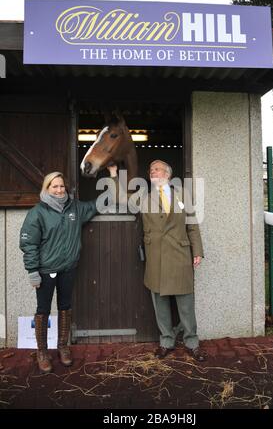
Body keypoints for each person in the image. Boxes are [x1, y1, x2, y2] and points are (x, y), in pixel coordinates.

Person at [19, 170, 114, 374]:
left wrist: (113, 177)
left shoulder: (76, 208)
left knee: (65, 306)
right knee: (43, 309)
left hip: (68, 268)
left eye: (62, 186)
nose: (59, 189)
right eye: (55, 186)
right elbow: (29, 243)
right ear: (47, 188)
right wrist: (32, 270)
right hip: (45, 270)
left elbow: (101, 202)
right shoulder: (38, 212)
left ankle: (62, 346)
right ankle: (42, 352)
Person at [110, 160, 206, 361]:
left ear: (167, 174)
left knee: (186, 304)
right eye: (151, 169)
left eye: (157, 169)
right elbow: (121, 198)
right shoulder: (144, 196)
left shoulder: (183, 195)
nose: (152, 171)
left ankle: (192, 342)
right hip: (155, 256)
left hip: (180, 255)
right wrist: (113, 174)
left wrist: (197, 251)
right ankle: (166, 341)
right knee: (160, 303)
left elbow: (192, 226)